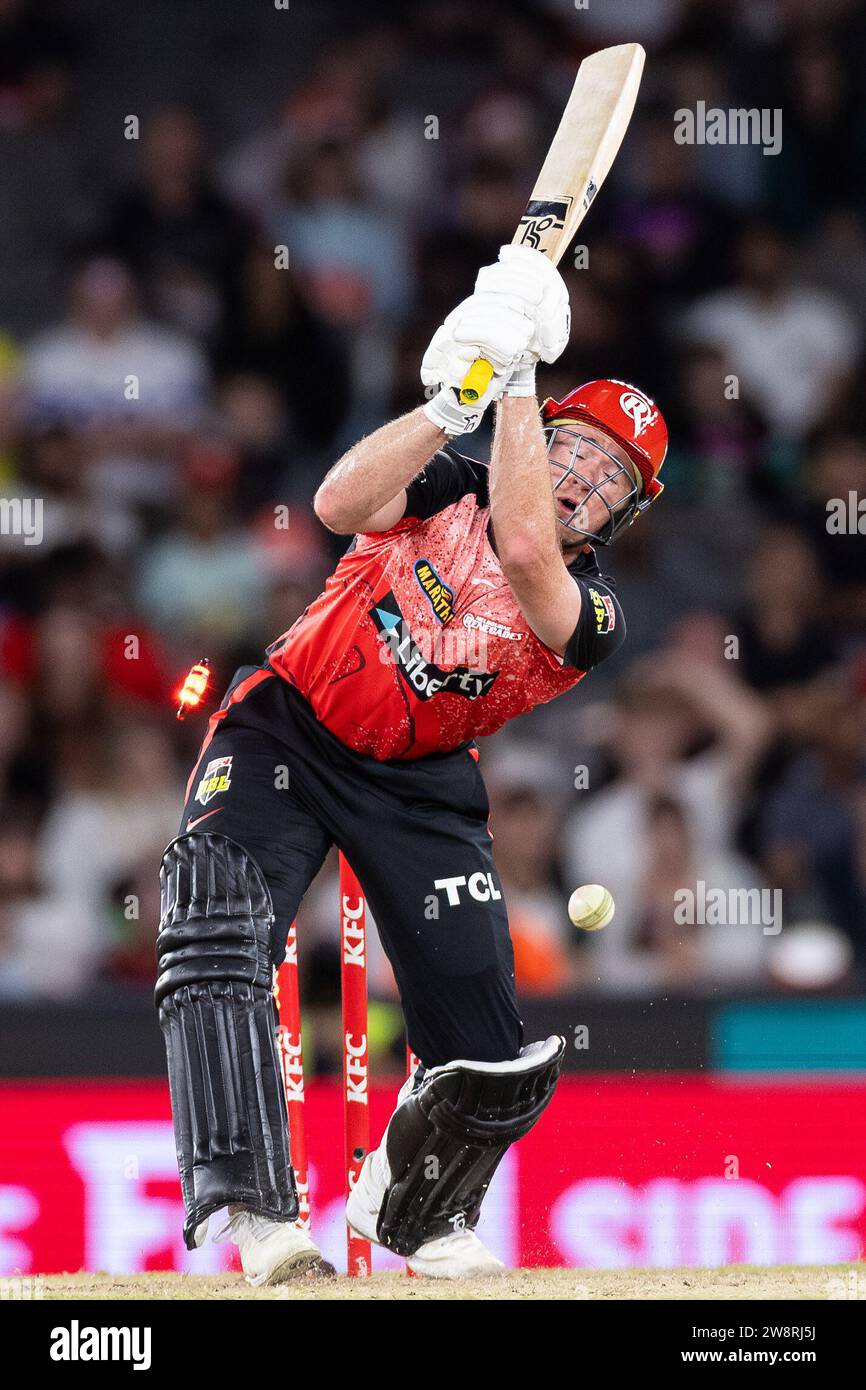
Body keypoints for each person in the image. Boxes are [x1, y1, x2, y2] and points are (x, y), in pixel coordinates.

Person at [155, 245, 668, 1282]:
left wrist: (519, 380)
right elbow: (339, 504)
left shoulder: (597, 614)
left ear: (624, 516)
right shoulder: (450, 480)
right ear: (539, 440)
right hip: (288, 727)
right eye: (571, 449)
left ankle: (418, 1211)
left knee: (490, 1048)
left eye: (608, 477)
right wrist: (451, 400)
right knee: (212, 930)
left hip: (418, 781)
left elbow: (525, 553)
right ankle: (257, 1217)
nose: (580, 479)